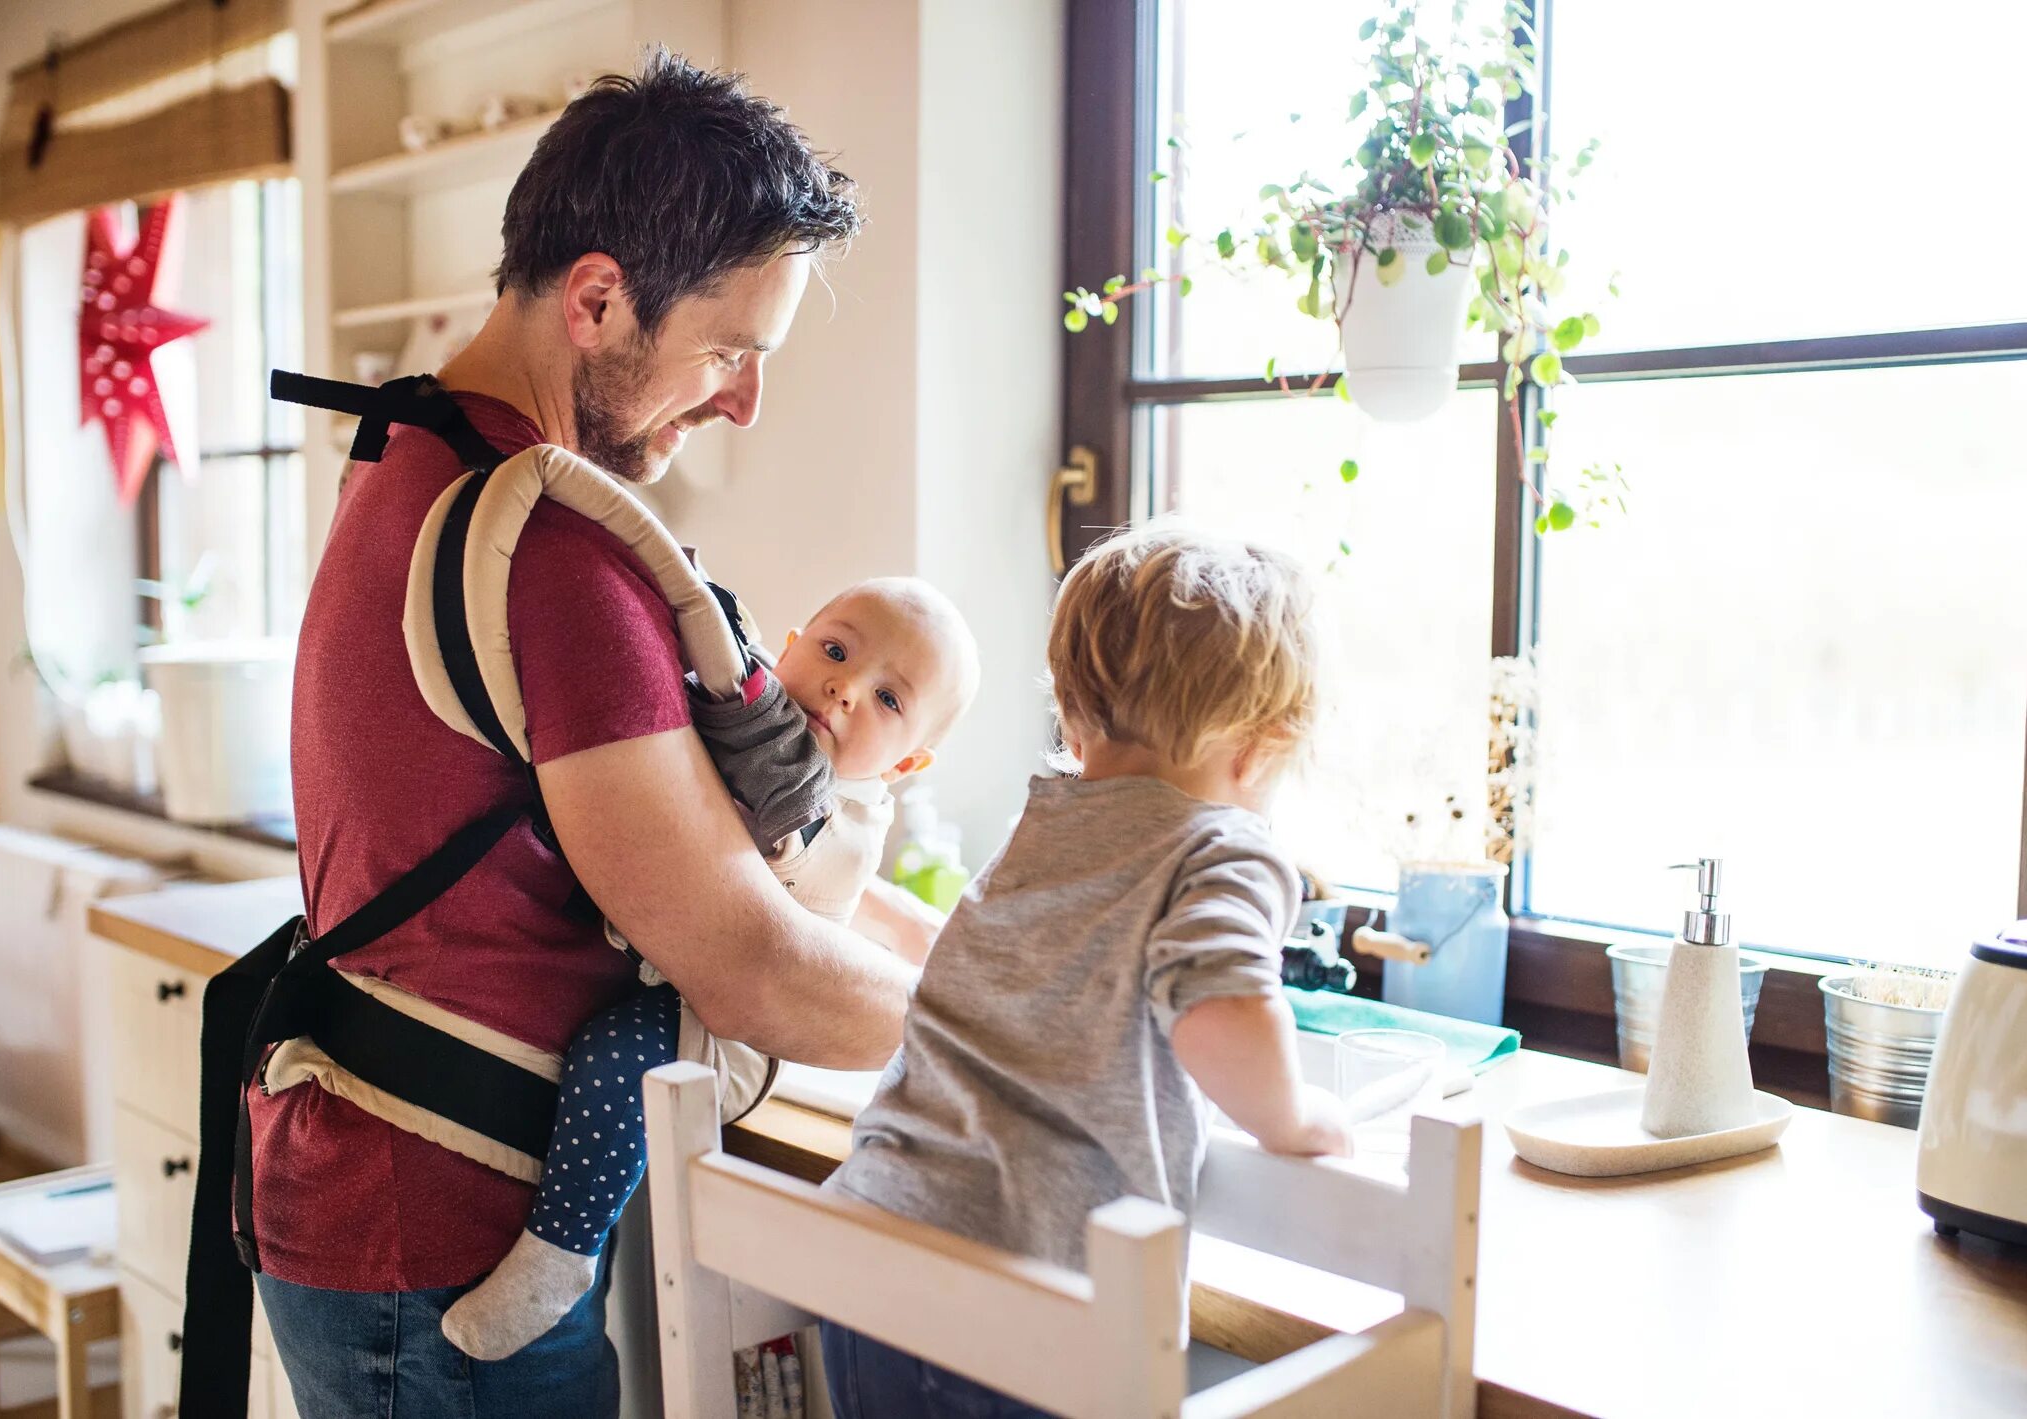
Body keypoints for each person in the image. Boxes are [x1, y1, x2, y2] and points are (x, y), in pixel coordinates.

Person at [260, 55, 920, 1417]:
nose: (743, 399)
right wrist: (1019, 1034)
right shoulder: (556, 558)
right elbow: (745, 965)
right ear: (598, 297)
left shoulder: (413, 446)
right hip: (438, 1249)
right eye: (731, 350)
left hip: (370, 1205)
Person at [820, 524, 1356, 1419]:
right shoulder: (1227, 848)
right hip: (1019, 1293)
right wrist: (1297, 1116)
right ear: (1262, 747)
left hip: (869, 1248)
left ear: (1070, 712)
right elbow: (1219, 1009)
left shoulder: (1049, 820)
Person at [440, 576, 980, 1361]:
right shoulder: (778, 745)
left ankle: (561, 1253)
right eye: (834, 651)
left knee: (613, 1054)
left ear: (908, 762)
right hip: (675, 971)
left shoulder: (825, 803)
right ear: (789, 646)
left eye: (889, 700)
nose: (844, 688)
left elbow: (783, 879)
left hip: (731, 1035)